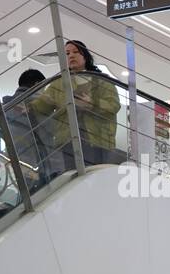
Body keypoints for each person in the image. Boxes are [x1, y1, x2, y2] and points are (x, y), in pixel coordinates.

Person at [29, 39, 122, 173]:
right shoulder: (59, 83)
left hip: (97, 139)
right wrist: (30, 106)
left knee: (94, 177)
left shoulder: (102, 80)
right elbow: (41, 106)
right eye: (66, 54)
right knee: (74, 176)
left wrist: (91, 104)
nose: (71, 56)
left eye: (75, 52)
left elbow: (113, 105)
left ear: (85, 56)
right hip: (68, 141)